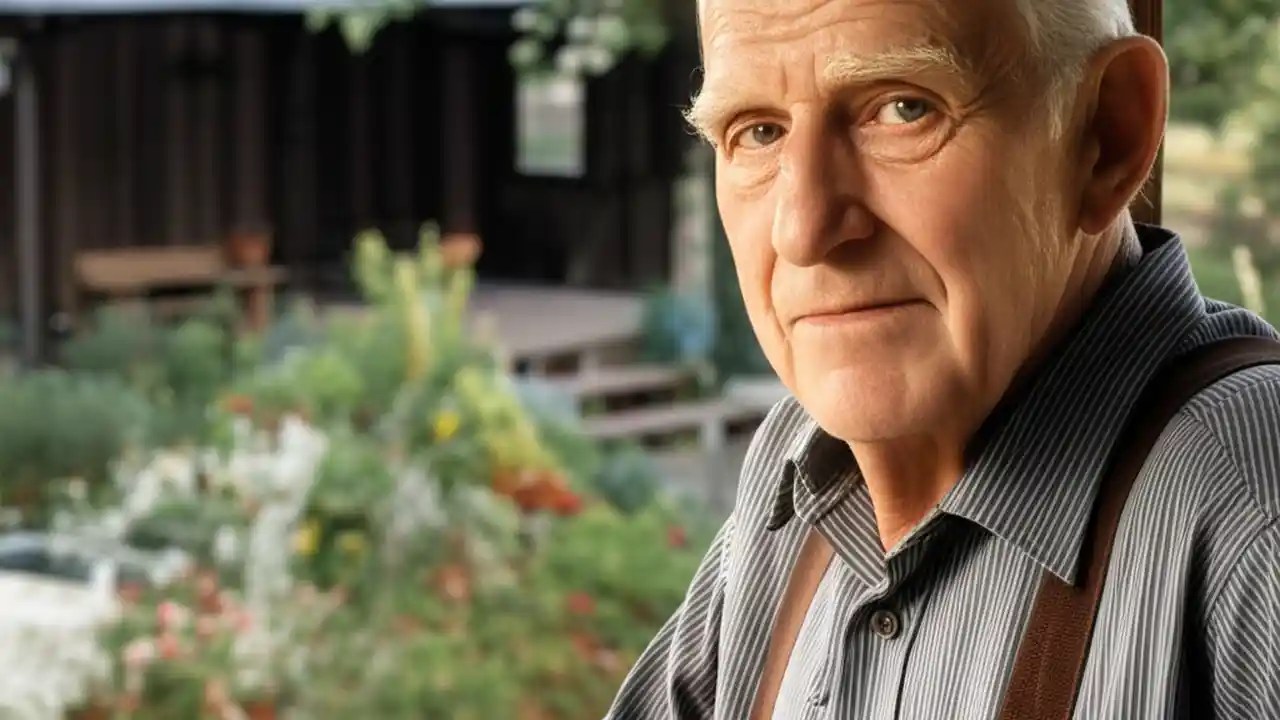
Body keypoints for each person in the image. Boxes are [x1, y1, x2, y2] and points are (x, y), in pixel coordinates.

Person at [607, 0, 1280, 717]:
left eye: (903, 109)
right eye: (759, 131)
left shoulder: (1253, 513)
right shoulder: (795, 471)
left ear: (1108, 135)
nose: (803, 230)